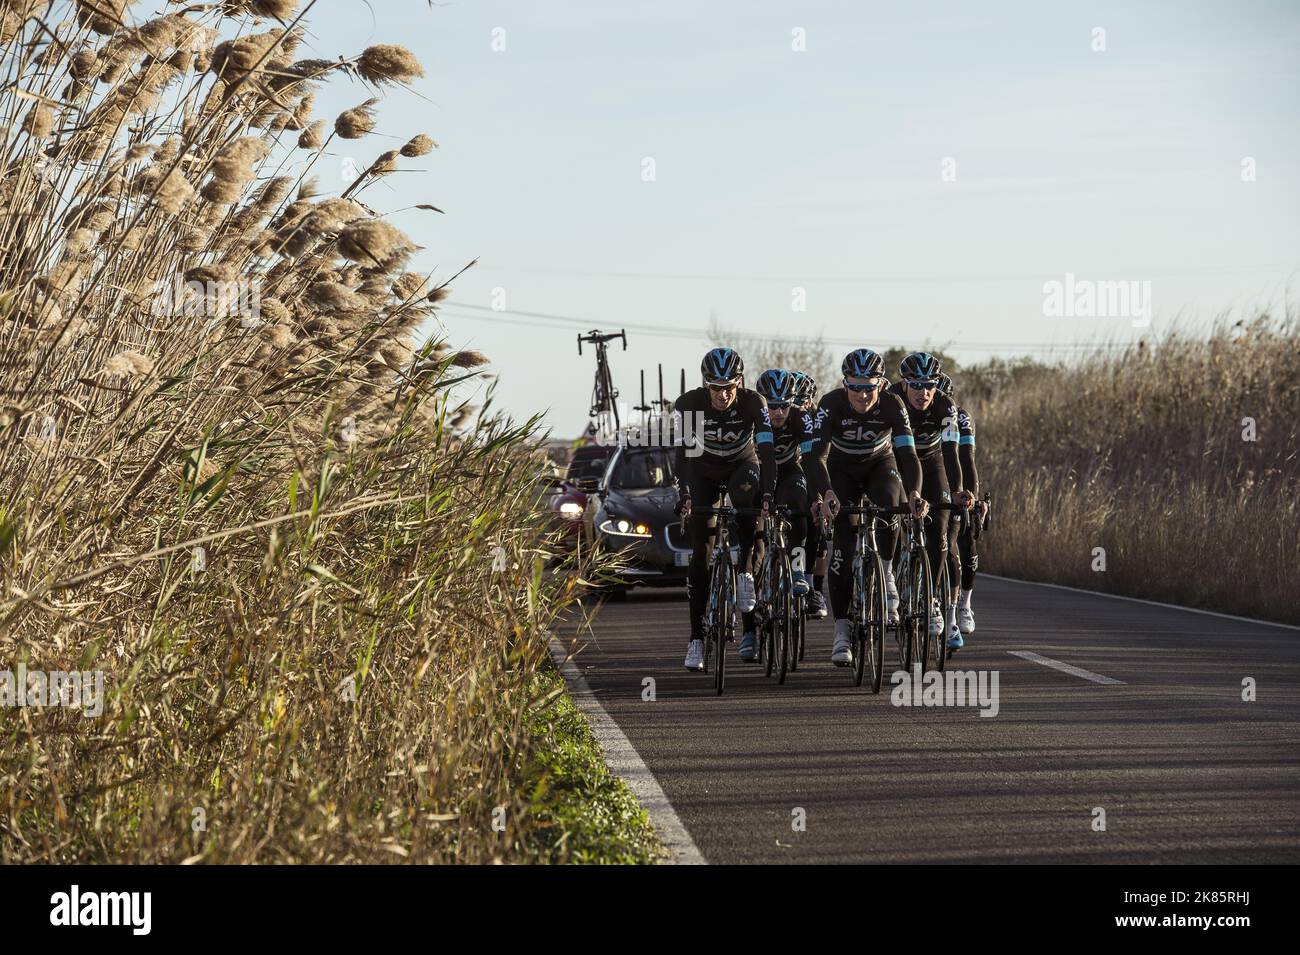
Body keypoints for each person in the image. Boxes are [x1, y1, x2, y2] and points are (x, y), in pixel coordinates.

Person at [806, 348, 927, 667]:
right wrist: (827, 492)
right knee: (843, 551)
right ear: (844, 384)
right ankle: (842, 630)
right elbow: (815, 457)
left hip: (879, 464)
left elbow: (909, 456)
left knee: (892, 500)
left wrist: (914, 493)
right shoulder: (830, 404)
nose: (862, 394)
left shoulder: (892, 404)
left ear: (882, 384)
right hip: (841, 470)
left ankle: (885, 572)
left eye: (869, 387)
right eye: (855, 387)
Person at [673, 347, 776, 671]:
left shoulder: (753, 403)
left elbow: (768, 452)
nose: (722, 394)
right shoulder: (689, 404)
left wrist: (768, 495)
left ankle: (746, 581)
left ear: (739, 382)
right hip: (702, 471)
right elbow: (683, 456)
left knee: (747, 502)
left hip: (741, 466)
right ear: (705, 385)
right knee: (701, 554)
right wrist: (685, 495)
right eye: (715, 387)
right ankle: (696, 639)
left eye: (729, 386)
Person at [887, 353, 973, 644]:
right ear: (904, 383)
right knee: (892, 519)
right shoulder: (891, 400)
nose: (923, 392)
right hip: (898, 462)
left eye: (929, 385)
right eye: (916, 385)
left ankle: (933, 598)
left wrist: (960, 490)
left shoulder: (945, 407)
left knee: (940, 535)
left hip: (934, 462)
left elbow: (952, 452)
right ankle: (892, 581)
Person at [755, 368, 814, 606]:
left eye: (784, 406)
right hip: (758, 471)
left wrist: (818, 496)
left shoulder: (800, 417)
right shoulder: (753, 416)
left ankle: (797, 569)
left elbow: (812, 460)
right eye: (772, 406)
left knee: (800, 501)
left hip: (789, 470)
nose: (778, 412)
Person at [938, 373, 986, 647]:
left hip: (955, 481)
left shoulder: (961, 418)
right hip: (928, 481)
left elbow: (967, 460)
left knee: (965, 540)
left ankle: (963, 605)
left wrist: (973, 497)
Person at [792, 372, 829, 618]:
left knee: (816, 526)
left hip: (811, 474)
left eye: (803, 400)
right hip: (785, 476)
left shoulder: (818, 418)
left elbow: (825, 459)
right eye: (794, 400)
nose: (798, 406)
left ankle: (815, 590)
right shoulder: (778, 414)